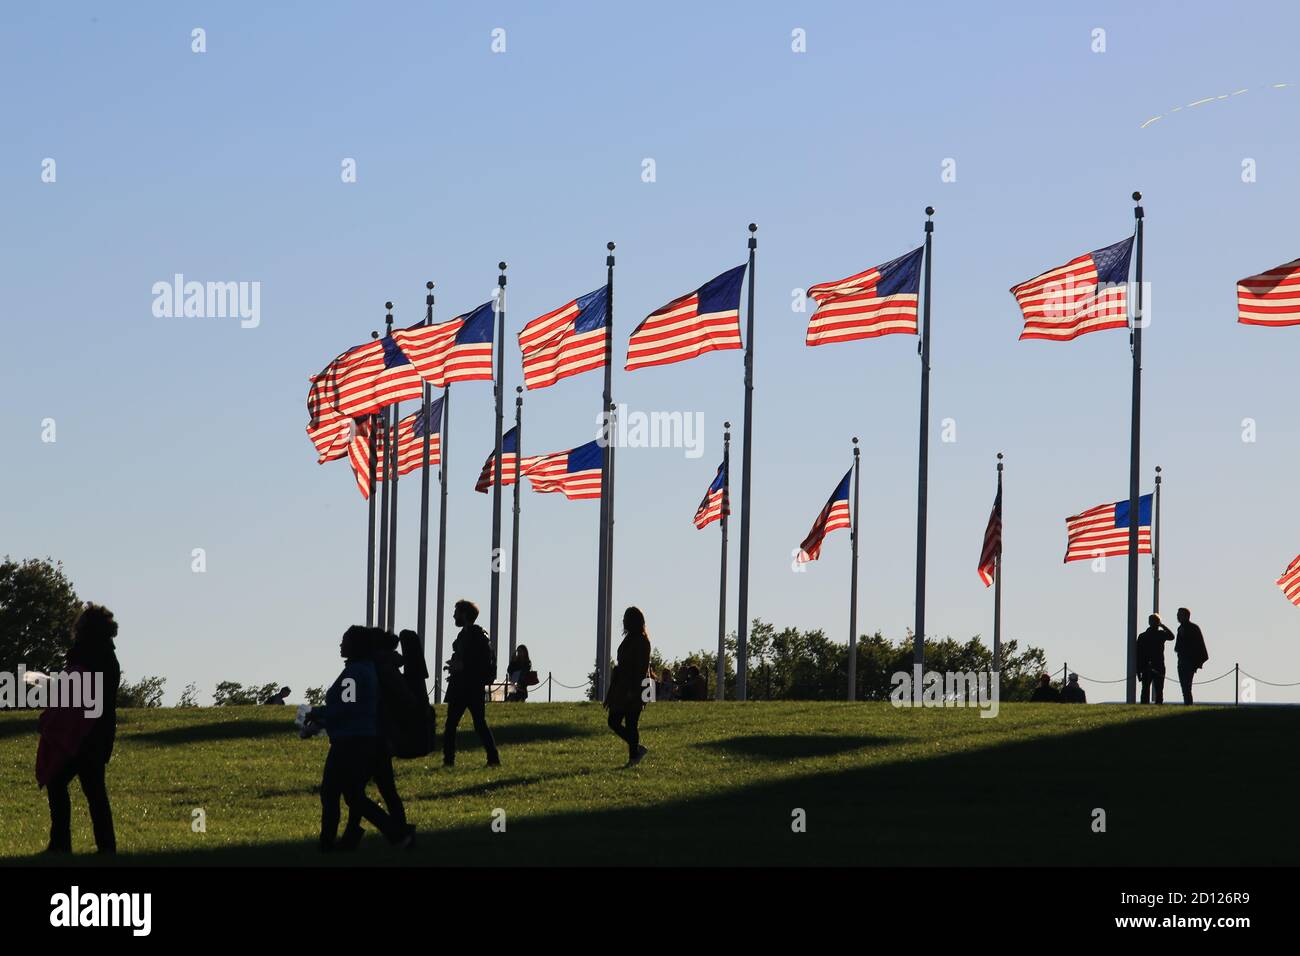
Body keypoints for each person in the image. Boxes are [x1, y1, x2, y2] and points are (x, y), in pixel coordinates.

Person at [307, 626, 413, 852]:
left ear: (354, 645)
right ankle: (394, 833)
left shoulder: (355, 673)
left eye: (344, 640)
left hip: (350, 741)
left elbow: (347, 707)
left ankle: (329, 843)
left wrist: (316, 714)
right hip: (359, 739)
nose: (340, 645)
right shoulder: (365, 669)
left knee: (335, 793)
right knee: (351, 795)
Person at [39, 603, 121, 855]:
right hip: (99, 731)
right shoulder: (108, 656)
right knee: (95, 790)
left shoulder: (84, 655)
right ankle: (106, 846)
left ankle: (61, 844)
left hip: (79, 733)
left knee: (58, 782)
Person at [340, 629, 414, 850]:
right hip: (378, 736)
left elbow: (400, 700)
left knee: (356, 792)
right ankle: (400, 835)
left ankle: (397, 833)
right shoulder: (379, 667)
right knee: (380, 790)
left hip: (374, 735)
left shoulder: (376, 668)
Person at [443, 600, 500, 767]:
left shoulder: (478, 636)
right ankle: (449, 760)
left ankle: (493, 758)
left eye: (457, 612)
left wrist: (462, 666)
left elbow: (479, 661)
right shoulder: (463, 635)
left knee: (478, 724)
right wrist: (454, 666)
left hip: (471, 687)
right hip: (461, 685)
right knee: (453, 723)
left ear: (465, 614)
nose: (454, 615)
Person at [605, 606, 651, 767]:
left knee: (632, 722)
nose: (623, 621)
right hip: (622, 685)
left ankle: (633, 756)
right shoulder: (629, 639)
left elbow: (641, 668)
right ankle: (636, 748)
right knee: (613, 721)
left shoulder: (642, 641)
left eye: (626, 618)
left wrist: (634, 690)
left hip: (637, 686)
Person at [1136, 613, 1175, 704]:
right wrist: (1163, 626)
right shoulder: (1160, 634)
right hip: (1157, 665)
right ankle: (1158, 705)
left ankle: (1144, 706)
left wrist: (1138, 669)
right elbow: (1171, 636)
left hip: (1148, 665)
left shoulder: (1143, 636)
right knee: (1158, 690)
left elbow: (1138, 654)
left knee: (1146, 690)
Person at [1174, 607, 1209, 705]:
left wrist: (1195, 662)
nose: (1177, 617)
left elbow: (1197, 645)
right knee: (1184, 687)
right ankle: (1187, 703)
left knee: (1186, 686)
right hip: (1182, 660)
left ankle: (1188, 704)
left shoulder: (1192, 628)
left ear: (1185, 616)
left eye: (1179, 615)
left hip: (1189, 661)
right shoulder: (1181, 628)